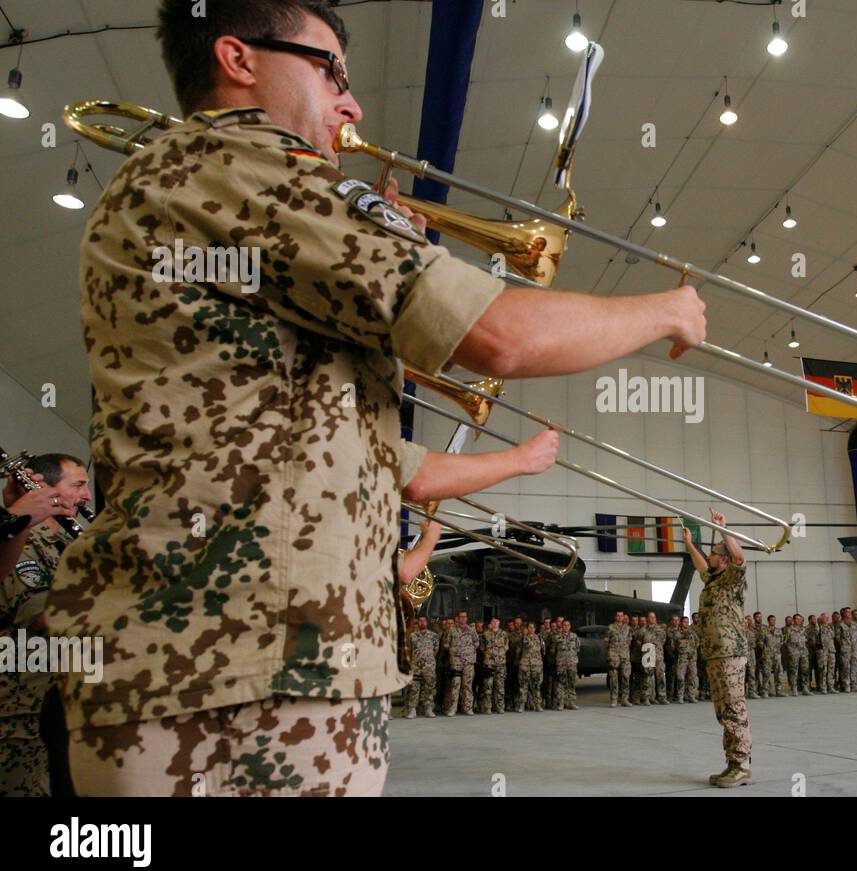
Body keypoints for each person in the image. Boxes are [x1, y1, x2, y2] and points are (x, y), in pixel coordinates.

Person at [46, 0, 708, 797]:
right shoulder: (241, 166)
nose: (352, 104)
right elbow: (499, 334)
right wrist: (664, 310)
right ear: (238, 59)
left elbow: (388, 461)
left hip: (225, 668)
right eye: (330, 70)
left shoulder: (207, 190)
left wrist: (521, 458)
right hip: (245, 677)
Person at [0, 455, 92, 797]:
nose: (86, 496)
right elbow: (39, 617)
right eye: (77, 486)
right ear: (44, 491)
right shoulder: (18, 540)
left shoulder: (72, 545)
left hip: (72, 699)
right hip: (23, 709)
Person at [682, 514, 751, 788]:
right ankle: (733, 763)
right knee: (724, 711)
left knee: (734, 708)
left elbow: (739, 555)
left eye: (713, 553)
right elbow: (700, 565)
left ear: (723, 559)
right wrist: (689, 544)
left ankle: (742, 766)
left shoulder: (732, 579)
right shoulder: (712, 581)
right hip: (714, 653)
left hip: (730, 652)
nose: (708, 557)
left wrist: (723, 530)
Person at [404, 617, 438, 718]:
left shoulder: (433, 636)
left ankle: (428, 708)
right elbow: (409, 650)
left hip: (429, 666)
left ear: (427, 623)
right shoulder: (412, 636)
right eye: (420, 621)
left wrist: (428, 659)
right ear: (418, 623)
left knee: (429, 687)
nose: (422, 623)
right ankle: (412, 709)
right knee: (414, 687)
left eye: (424, 621)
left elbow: (436, 650)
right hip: (416, 666)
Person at [604, 611, 631, 707]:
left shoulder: (628, 628)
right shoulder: (610, 627)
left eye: (621, 616)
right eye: (618, 616)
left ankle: (624, 699)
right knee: (613, 678)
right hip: (614, 656)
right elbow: (606, 642)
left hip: (625, 656)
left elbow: (629, 641)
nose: (620, 617)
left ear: (624, 617)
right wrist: (612, 653)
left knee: (625, 677)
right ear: (615, 617)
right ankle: (614, 699)